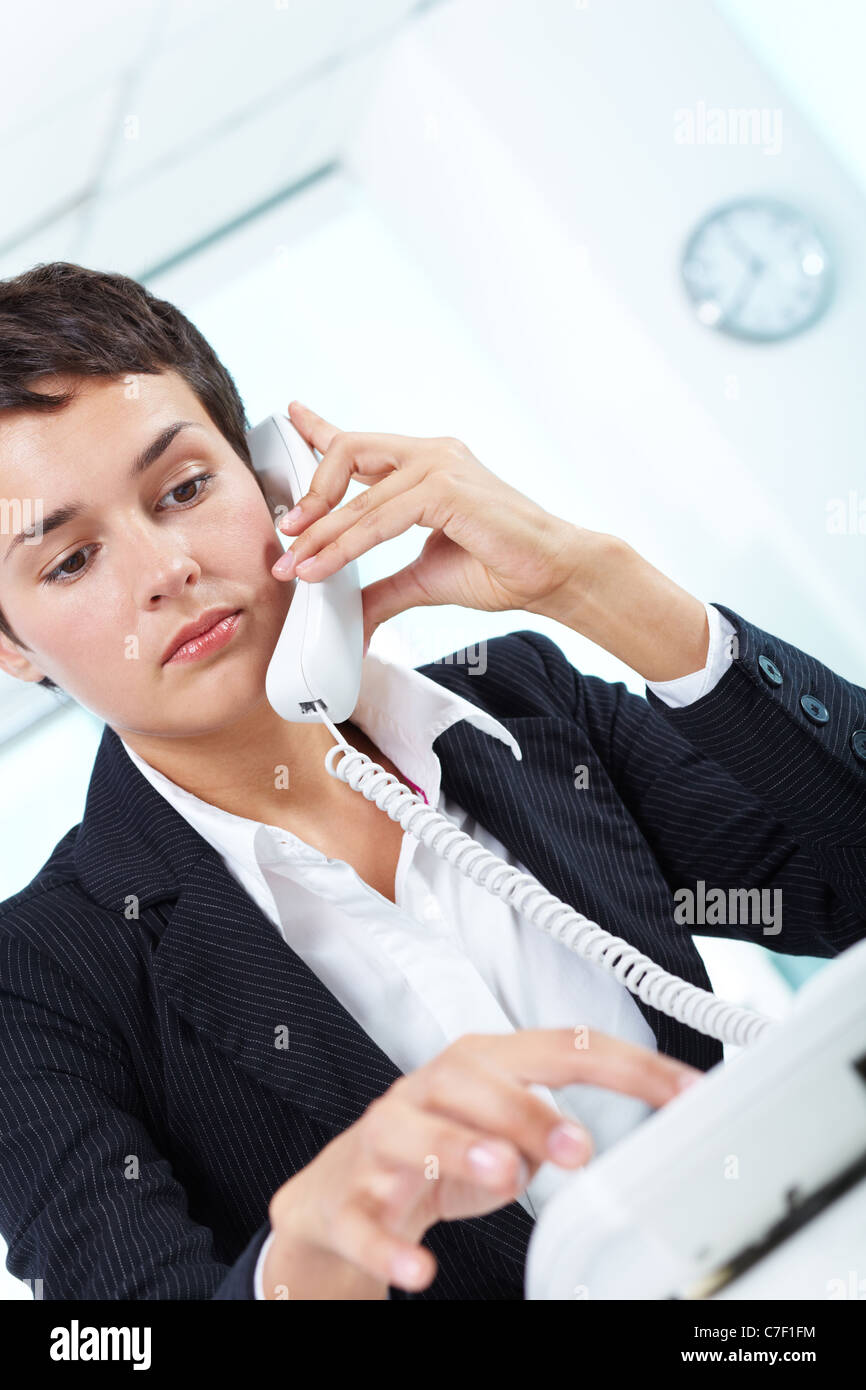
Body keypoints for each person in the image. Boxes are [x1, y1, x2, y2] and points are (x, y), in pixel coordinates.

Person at [0, 262, 862, 1301]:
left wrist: (593, 583)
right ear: (15, 650)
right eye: (68, 560)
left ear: (274, 480)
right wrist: (309, 1259)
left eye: (184, 489)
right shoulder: (38, 980)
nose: (162, 567)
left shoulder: (524, 710)